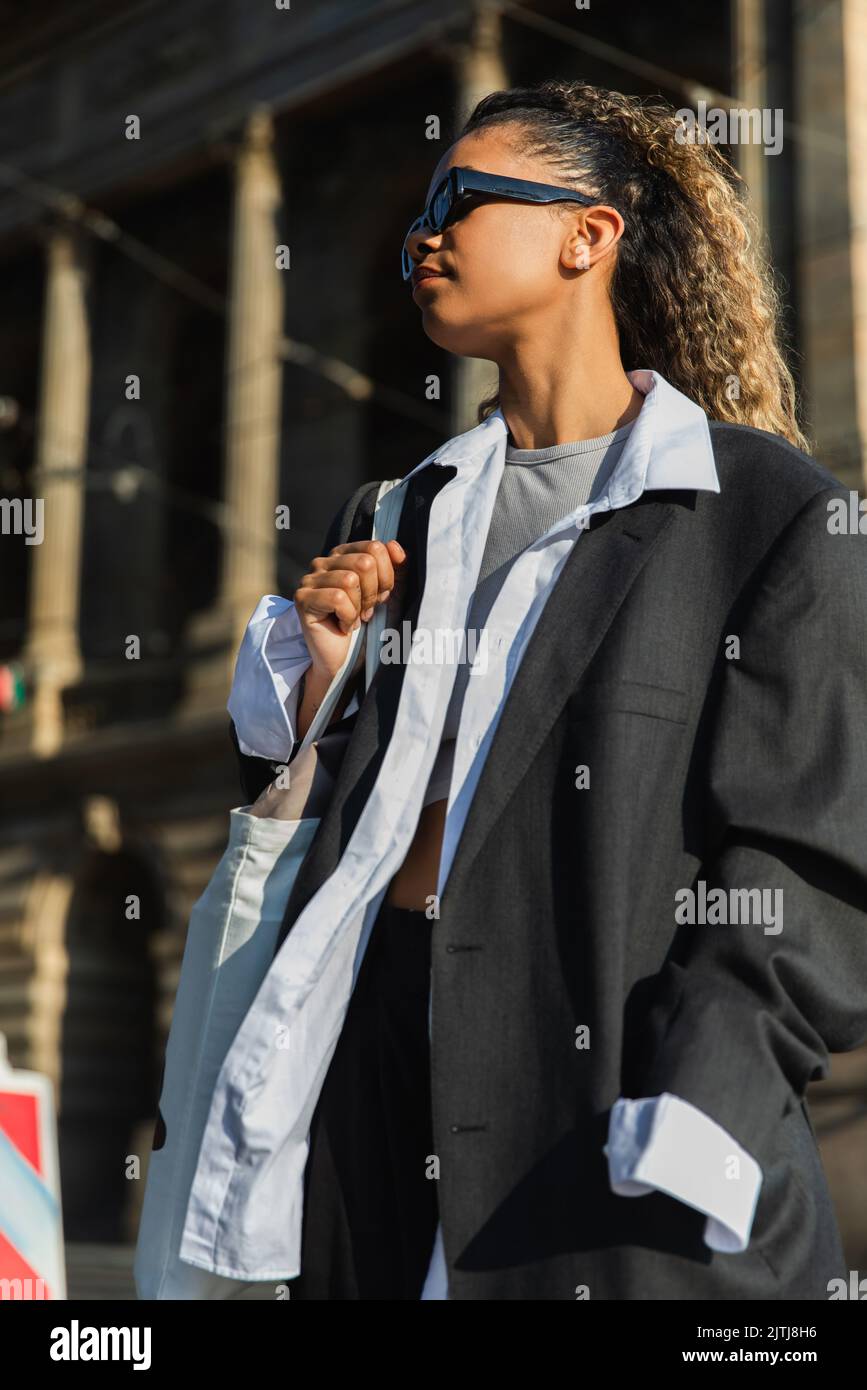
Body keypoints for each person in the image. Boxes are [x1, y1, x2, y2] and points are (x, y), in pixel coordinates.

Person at [226, 79, 867, 1300]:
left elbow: (807, 860)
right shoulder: (396, 518)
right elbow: (334, 828)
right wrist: (319, 692)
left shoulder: (772, 514)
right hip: (369, 1095)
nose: (425, 231)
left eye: (463, 199)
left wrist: (700, 1108)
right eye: (421, 206)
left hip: (603, 1106)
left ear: (588, 234)